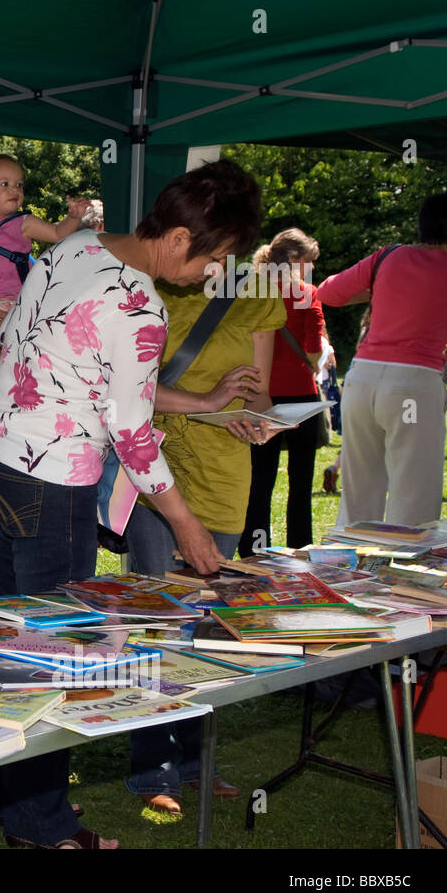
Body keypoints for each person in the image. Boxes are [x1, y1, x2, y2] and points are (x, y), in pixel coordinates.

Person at [0, 158, 263, 848]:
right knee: (56, 656)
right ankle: (42, 827)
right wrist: (186, 524)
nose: (213, 275)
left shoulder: (75, 244)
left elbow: (72, 364)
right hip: (51, 487)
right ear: (183, 239)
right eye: (216, 259)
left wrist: (201, 401)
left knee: (12, 641)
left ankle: (1, 798)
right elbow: (130, 433)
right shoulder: (142, 305)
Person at [125, 262, 287, 815]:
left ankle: (195, 763)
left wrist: (259, 420)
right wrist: (208, 400)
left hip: (224, 478)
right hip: (157, 473)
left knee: (207, 627)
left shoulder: (257, 297)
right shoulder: (153, 283)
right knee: (160, 623)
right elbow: (129, 392)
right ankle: (152, 770)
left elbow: (259, 396)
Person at [315, 192, 447, 527]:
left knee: (358, 491)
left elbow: (328, 291)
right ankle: (404, 577)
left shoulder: (389, 255)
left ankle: (347, 571)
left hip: (362, 380)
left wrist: (380, 291)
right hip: (413, 385)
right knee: (414, 496)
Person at [241, 228, 326, 554]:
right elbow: (313, 348)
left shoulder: (249, 290)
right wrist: (315, 364)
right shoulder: (306, 293)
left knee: (260, 483)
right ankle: (300, 550)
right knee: (301, 484)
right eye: (309, 262)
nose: (313, 269)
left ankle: (254, 551)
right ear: (293, 260)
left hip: (260, 395)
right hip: (301, 396)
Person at [0, 154, 90, 338]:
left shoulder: (24, 222)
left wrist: (73, 218)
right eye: (5, 184)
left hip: (16, 300)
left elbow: (57, 234)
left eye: (19, 185)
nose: (14, 190)